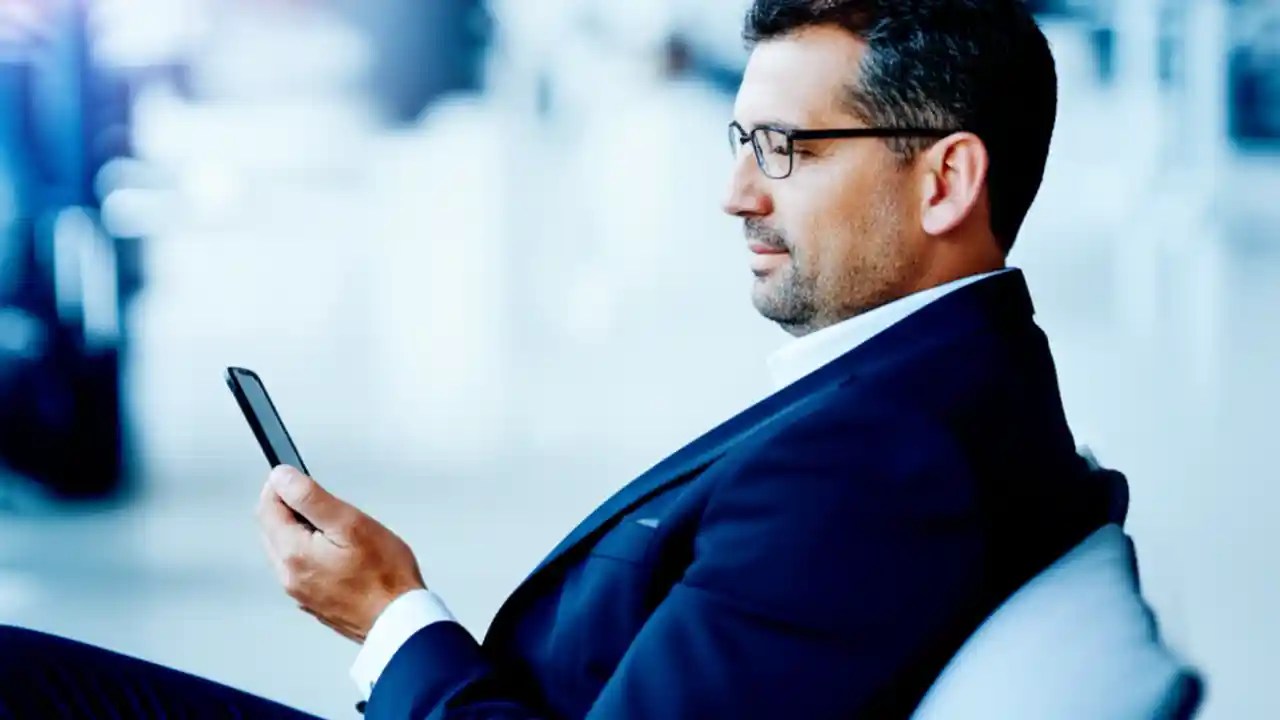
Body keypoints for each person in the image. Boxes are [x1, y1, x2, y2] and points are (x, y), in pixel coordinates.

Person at [0, 1, 1129, 717]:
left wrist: (388, 615)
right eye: (742, 140)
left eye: (786, 149)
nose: (736, 192)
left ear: (946, 180)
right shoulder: (942, 381)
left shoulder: (881, 463)